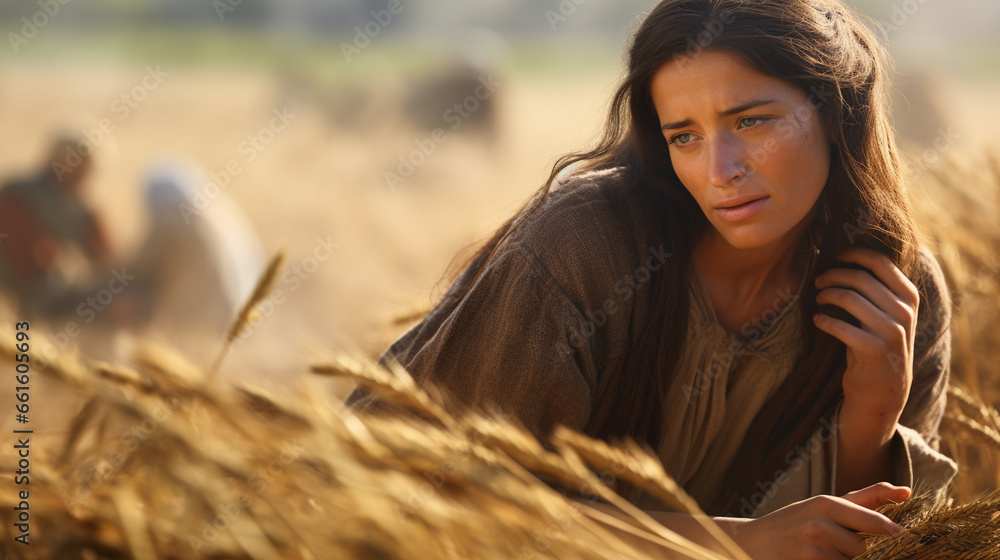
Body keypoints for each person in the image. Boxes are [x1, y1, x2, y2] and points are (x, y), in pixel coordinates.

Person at [346, 0, 957, 557]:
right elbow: (454, 497)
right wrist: (738, 544)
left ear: (834, 112)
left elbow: (869, 546)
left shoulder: (901, 295)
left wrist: (871, 421)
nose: (720, 171)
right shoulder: (586, 247)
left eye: (750, 122)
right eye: (684, 137)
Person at [125, 160, 266, 346]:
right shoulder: (212, 212)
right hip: (233, 312)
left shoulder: (172, 219)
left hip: (200, 324)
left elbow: (137, 266)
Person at [0, 134, 113, 318]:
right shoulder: (18, 195)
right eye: (75, 165)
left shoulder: (83, 209)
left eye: (86, 167)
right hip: (20, 292)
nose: (81, 174)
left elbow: (107, 258)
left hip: (49, 292)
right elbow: (23, 263)